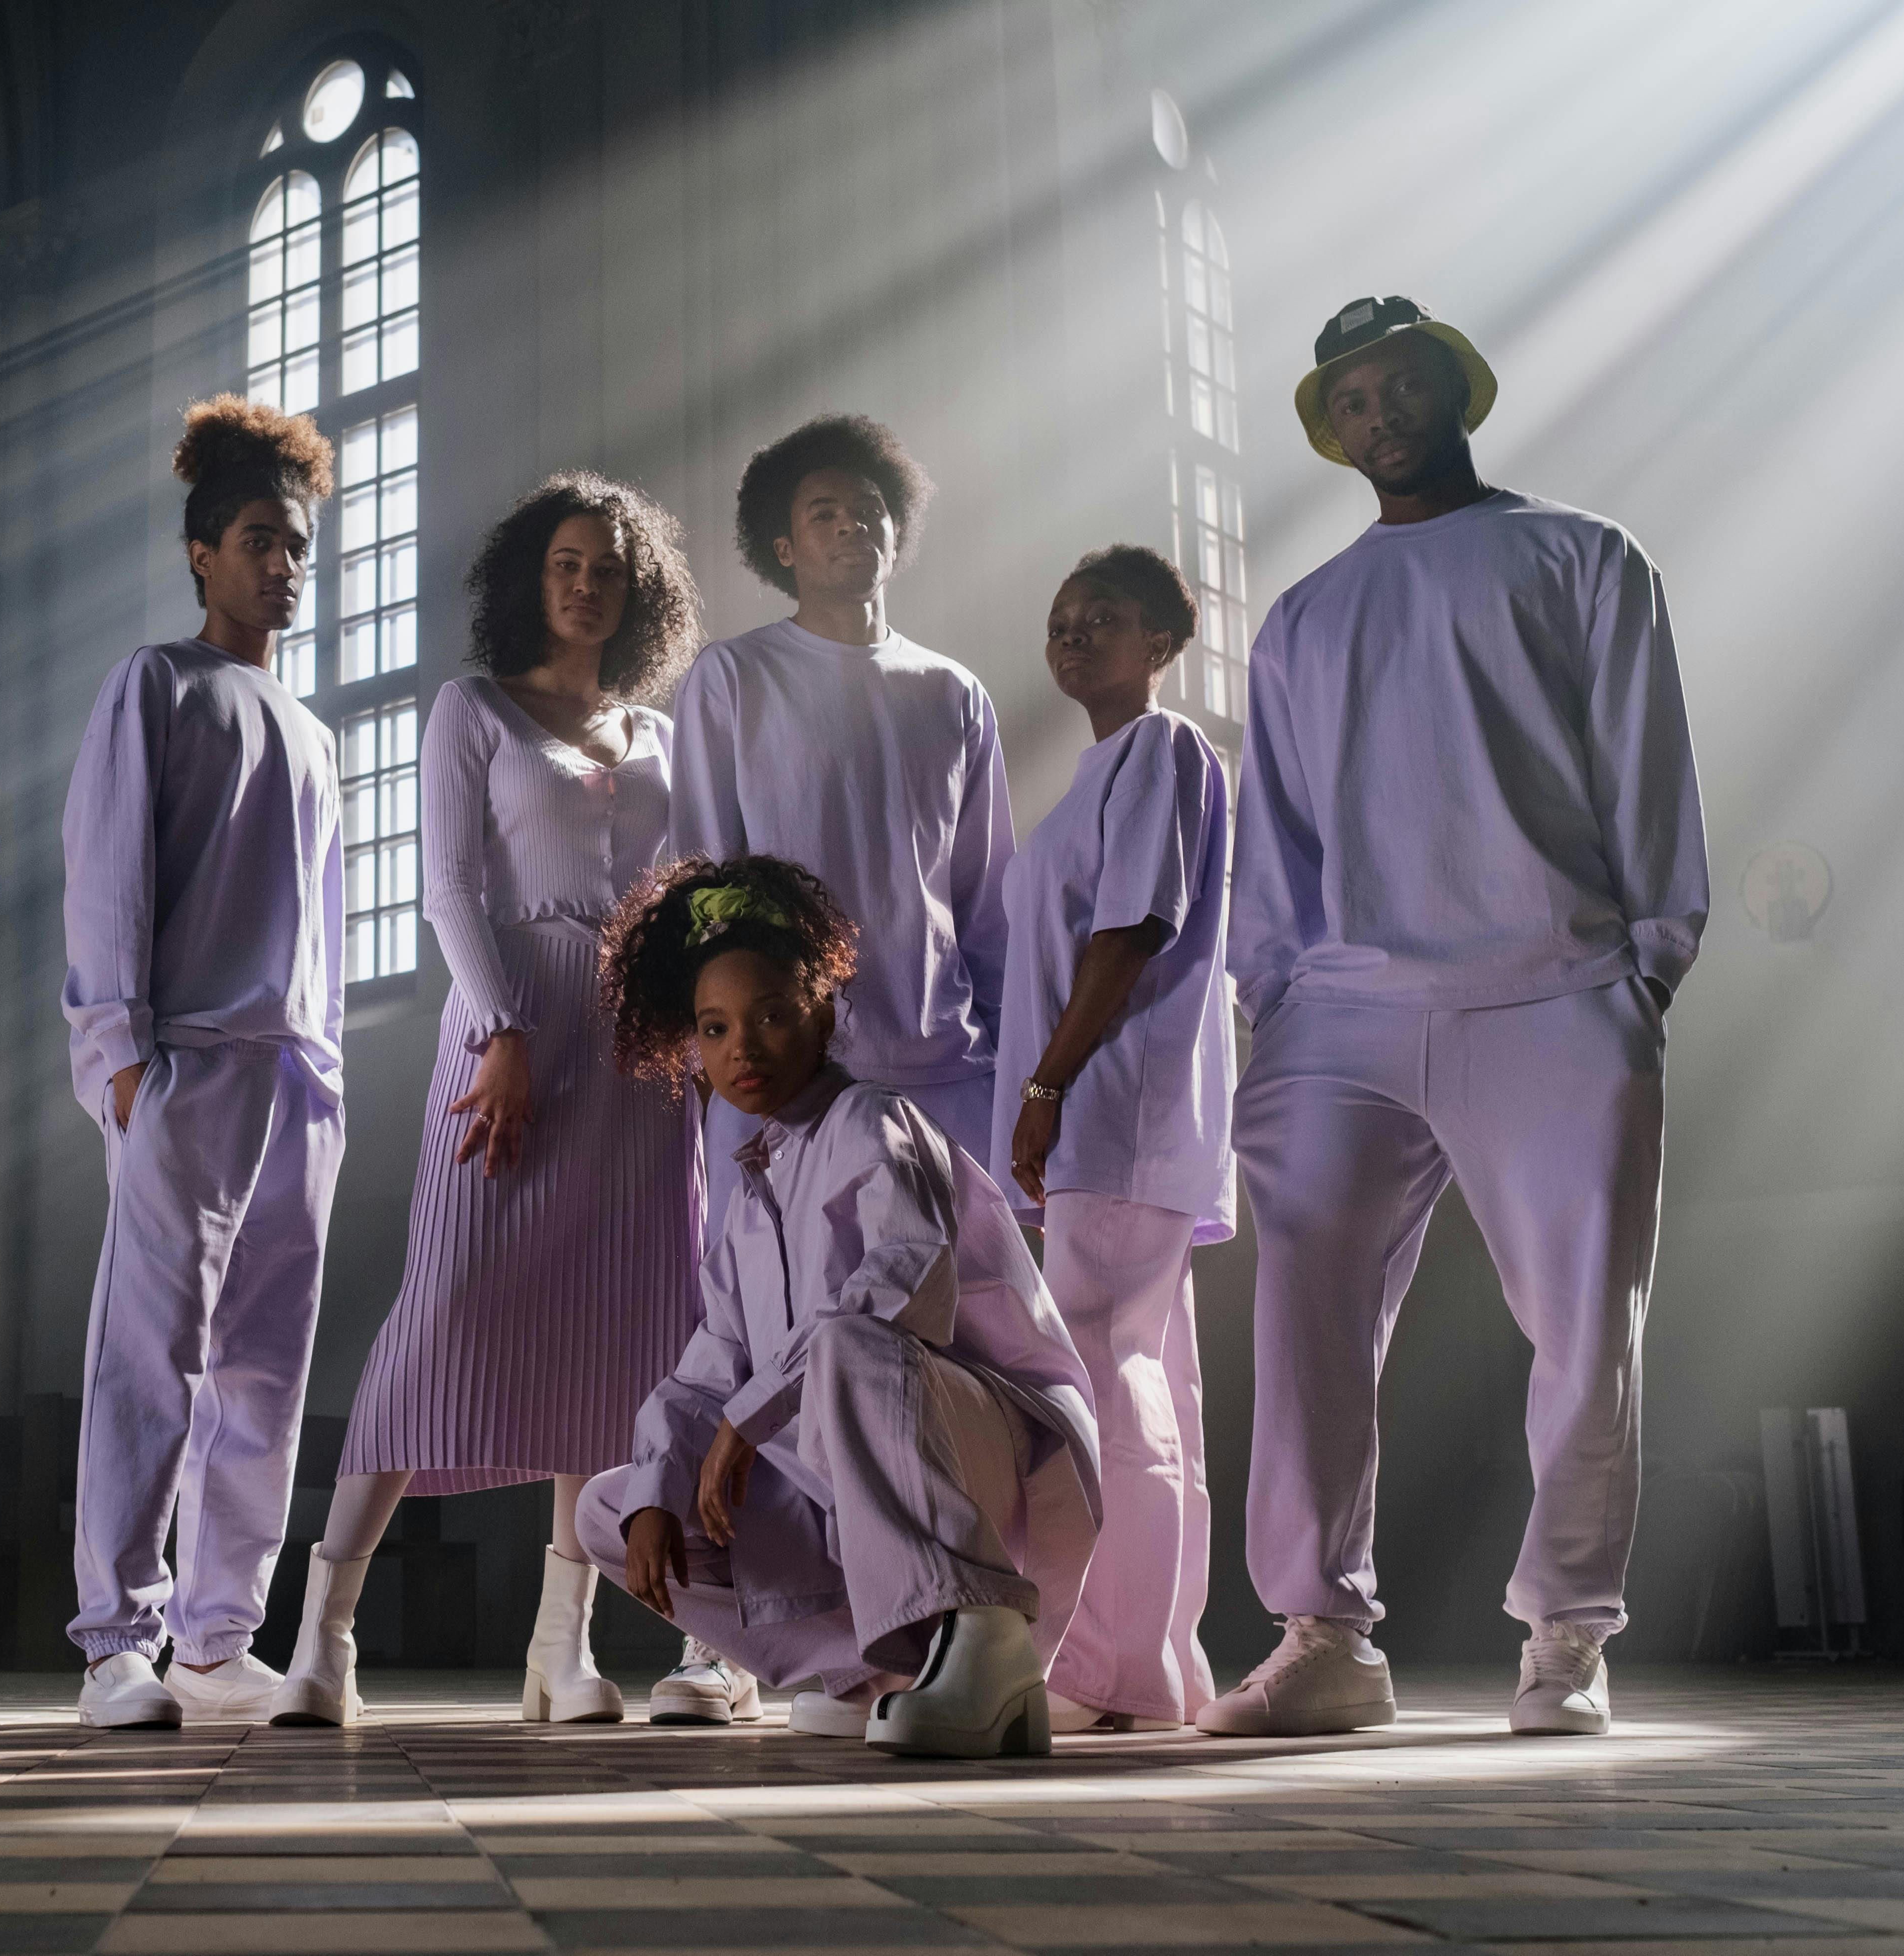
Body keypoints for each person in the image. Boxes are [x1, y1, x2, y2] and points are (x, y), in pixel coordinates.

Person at [1203, 297, 1706, 1741]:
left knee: (1579, 1323)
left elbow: (1642, 768)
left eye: (1398, 381)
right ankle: (1323, 1634)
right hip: (1340, 1012)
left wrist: (1639, 967)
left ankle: (1563, 1633)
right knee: (1304, 1310)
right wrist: (1276, 993)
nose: (1379, 411)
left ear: (1451, 387)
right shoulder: (1303, 614)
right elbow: (1276, 834)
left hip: (1553, 988)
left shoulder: (1582, 556)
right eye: (1348, 399)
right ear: (1331, 431)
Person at [268, 474, 715, 1728]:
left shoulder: (663, 739)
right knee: (444, 1310)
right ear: (531, 575)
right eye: (566, 563)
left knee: (611, 1343)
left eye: (609, 570)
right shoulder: (470, 710)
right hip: (510, 1026)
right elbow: (451, 892)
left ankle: (560, 1647)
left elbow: (677, 903)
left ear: (638, 595)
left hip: (639, 1055)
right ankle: (324, 1638)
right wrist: (507, 1030)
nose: (584, 584)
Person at [574, 854, 1102, 1759]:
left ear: (823, 1008)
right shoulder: (753, 1193)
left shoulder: (871, 1121)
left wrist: (752, 1416)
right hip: (849, 1472)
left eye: (773, 1014)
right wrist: (663, 1482)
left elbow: (906, 1283)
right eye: (715, 1027)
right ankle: (871, 1667)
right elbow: (709, 1368)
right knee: (610, 1507)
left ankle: (981, 1636)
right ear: (692, 1049)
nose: (744, 1046)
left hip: (984, 1443)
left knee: (857, 1343)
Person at [60, 396, 346, 1729]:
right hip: (183, 1063)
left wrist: (326, 1066)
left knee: (265, 1371)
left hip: (295, 1078)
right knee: (150, 1356)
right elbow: (110, 876)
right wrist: (117, 1053)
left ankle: (221, 1637)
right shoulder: (157, 684)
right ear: (199, 552)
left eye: (294, 545)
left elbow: (323, 930)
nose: (280, 565)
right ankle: (117, 1634)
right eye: (254, 540)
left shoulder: (318, 731)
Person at [996, 546, 1234, 1734]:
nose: (1073, 636)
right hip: (1111, 1120)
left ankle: (1105, 1666)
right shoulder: (1095, 775)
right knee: (1153, 1389)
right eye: (1060, 622)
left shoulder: (1160, 748)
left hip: (1113, 1108)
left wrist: (1043, 1086)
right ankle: (1160, 1666)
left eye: (1103, 619)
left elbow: (1132, 928)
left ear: (1159, 643)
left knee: (1101, 1380)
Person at [670, 414, 1014, 1200]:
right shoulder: (732, 678)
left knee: (964, 1315)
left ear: (897, 534)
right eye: (822, 512)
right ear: (783, 550)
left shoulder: (954, 691)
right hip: (787, 1068)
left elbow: (985, 897)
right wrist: (709, 1061)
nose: (851, 523)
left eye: (867, 508)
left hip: (945, 1065)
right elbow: (701, 882)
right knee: (781, 1316)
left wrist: (1010, 1061)